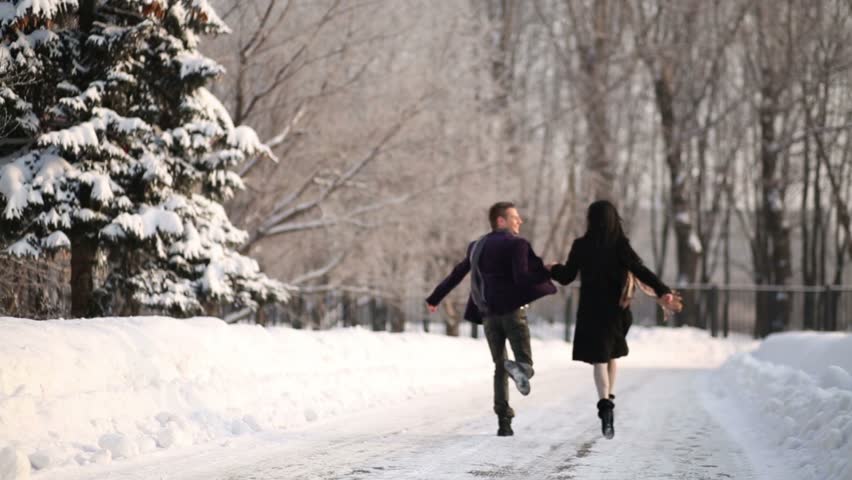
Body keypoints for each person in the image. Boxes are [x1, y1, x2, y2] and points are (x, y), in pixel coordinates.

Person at [426, 202, 556, 437]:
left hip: (489, 317)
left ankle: (503, 423)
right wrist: (547, 271)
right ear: (501, 221)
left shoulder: (476, 247)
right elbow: (522, 277)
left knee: (499, 367)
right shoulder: (517, 244)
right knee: (525, 365)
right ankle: (519, 368)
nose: (520, 221)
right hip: (513, 314)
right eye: (515, 217)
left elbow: (457, 274)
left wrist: (435, 298)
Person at [549, 200, 675, 440]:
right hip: (616, 310)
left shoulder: (581, 245)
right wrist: (662, 290)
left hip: (590, 310)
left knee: (599, 360)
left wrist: (552, 268)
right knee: (611, 355)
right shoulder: (620, 246)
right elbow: (640, 270)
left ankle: (604, 403)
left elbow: (566, 277)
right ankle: (609, 397)